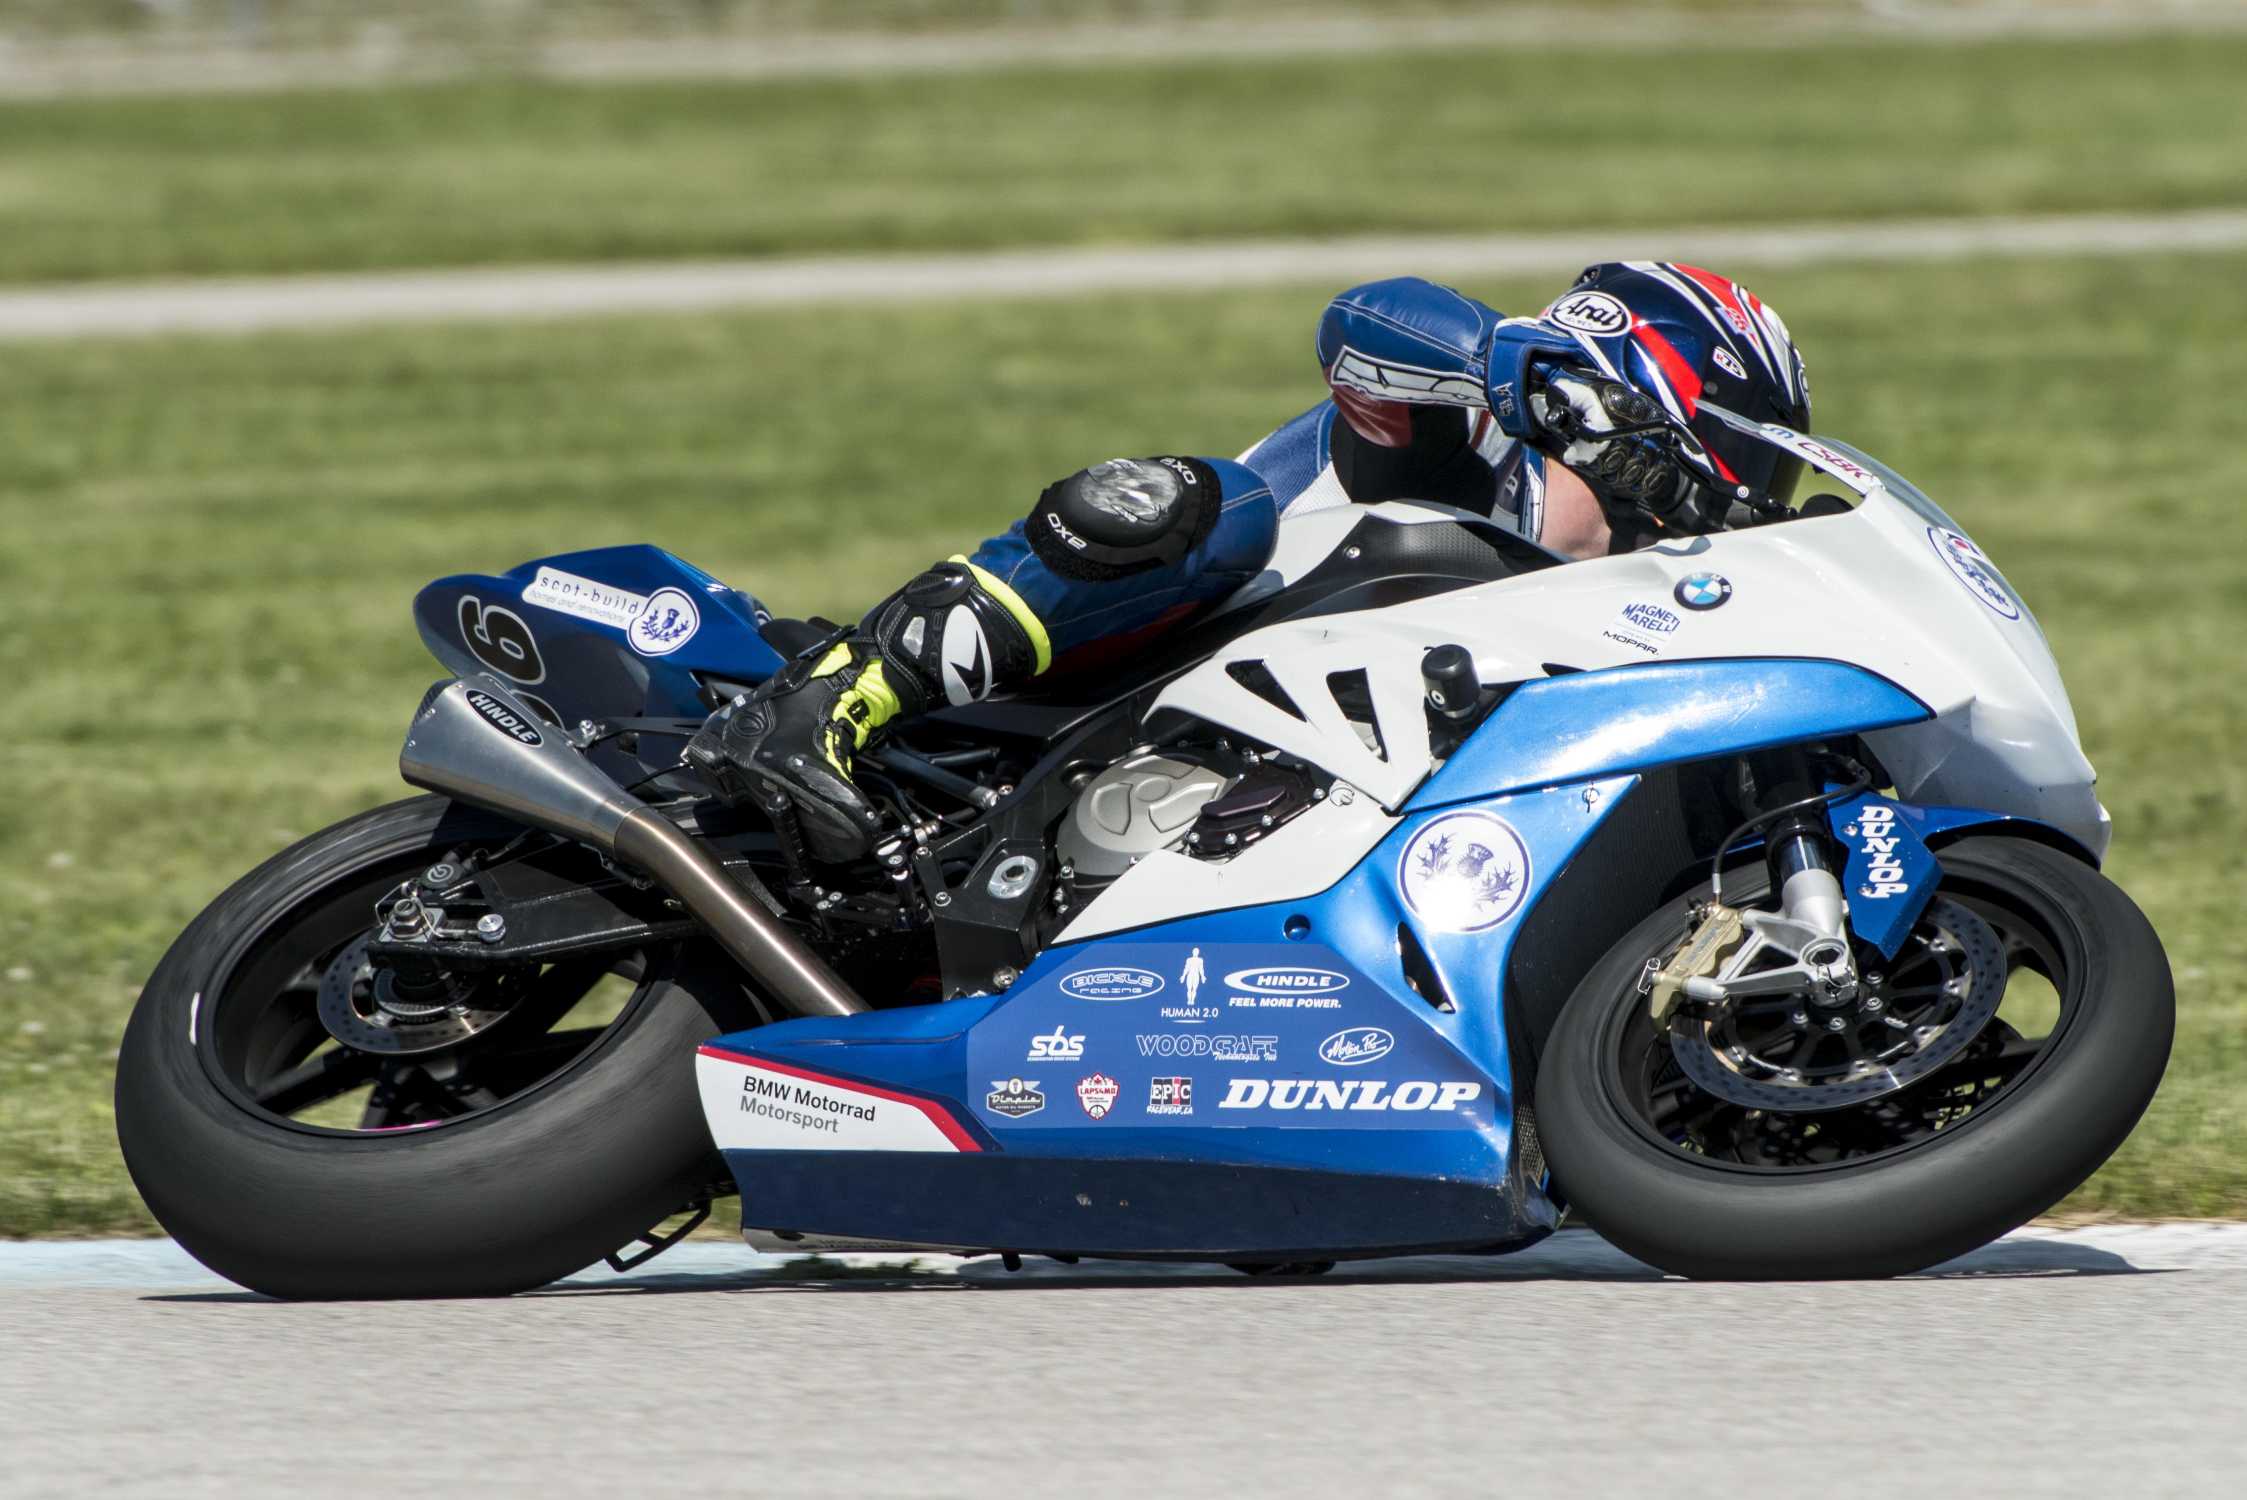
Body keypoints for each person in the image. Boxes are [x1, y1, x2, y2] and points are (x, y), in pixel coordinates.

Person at [685, 262, 1812, 861]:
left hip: (1225, 818)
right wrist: (1545, 389)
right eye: (1738, 450)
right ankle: (827, 697)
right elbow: (1366, 324)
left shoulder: (1618, 619)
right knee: (1210, 505)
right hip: (1103, 697)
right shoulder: (1476, 441)